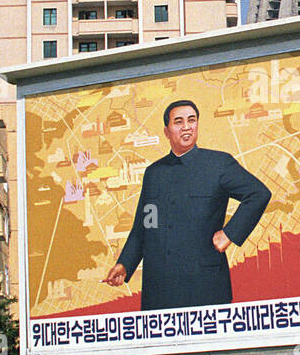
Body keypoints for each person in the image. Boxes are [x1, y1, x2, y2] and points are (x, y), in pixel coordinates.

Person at [103, 100, 271, 310]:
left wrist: (229, 234)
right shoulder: (154, 173)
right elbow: (146, 226)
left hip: (204, 288)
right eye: (178, 121)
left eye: (191, 120)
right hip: (159, 292)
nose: (186, 126)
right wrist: (125, 264)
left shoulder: (218, 164)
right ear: (166, 131)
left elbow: (258, 194)